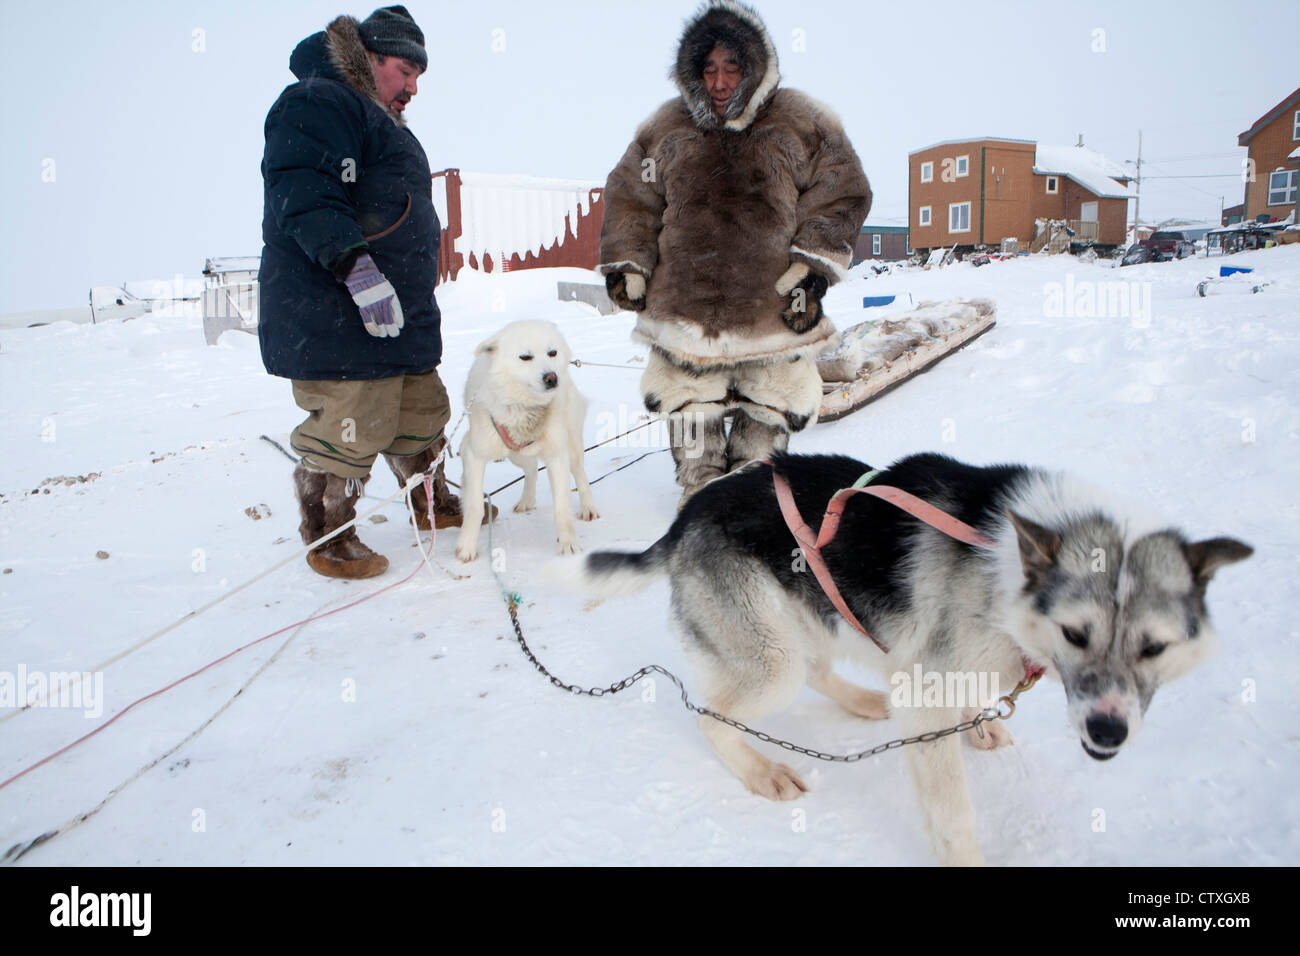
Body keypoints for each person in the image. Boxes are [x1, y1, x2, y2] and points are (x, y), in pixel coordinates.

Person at [599, 0, 872, 505]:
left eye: (731, 68)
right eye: (709, 69)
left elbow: (841, 193)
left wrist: (811, 271)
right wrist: (628, 263)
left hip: (771, 306)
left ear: (754, 69)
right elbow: (630, 198)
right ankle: (700, 494)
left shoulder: (800, 122)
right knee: (687, 402)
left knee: (771, 399)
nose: (720, 83)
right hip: (684, 306)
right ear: (692, 72)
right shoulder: (666, 129)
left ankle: (751, 498)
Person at [258, 6, 471, 579]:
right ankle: (328, 533)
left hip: (401, 315)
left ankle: (432, 501)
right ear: (369, 58)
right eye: (405, 70)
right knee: (352, 423)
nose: (413, 87)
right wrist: (357, 271)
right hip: (335, 313)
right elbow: (304, 192)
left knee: (421, 411)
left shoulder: (387, 125)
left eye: (419, 76)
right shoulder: (318, 102)